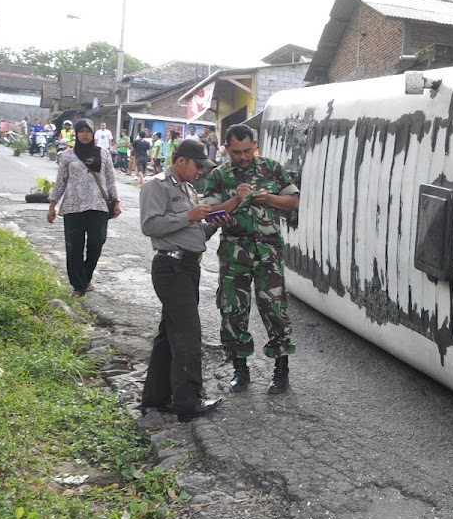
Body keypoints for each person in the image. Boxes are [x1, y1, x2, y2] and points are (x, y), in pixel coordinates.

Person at [203, 124, 300, 394]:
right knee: (233, 311)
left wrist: (268, 198)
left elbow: (293, 202)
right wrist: (235, 199)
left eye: (247, 150)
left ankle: (281, 370)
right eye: (237, 152)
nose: (243, 157)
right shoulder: (218, 176)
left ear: (255, 145)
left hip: (269, 251)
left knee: (274, 309)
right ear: (226, 148)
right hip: (235, 253)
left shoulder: (271, 168)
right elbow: (209, 215)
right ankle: (240, 369)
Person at [138, 138, 225, 423]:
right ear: (181, 161)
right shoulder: (157, 185)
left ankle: (155, 398)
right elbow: (150, 225)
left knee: (169, 334)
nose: (200, 172)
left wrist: (211, 226)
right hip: (171, 267)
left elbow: (192, 232)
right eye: (197, 166)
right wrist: (188, 216)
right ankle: (188, 403)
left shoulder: (187, 189)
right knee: (188, 334)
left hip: (187, 267)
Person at [45, 119, 121, 297]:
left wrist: (116, 201)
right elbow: (61, 181)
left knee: (97, 242)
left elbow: (110, 180)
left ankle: (85, 277)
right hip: (73, 206)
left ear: (93, 134)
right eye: (81, 131)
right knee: (74, 247)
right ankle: (79, 286)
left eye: (88, 131)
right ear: (76, 134)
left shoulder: (104, 154)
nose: (85, 135)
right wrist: (52, 205)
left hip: (98, 205)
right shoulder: (67, 156)